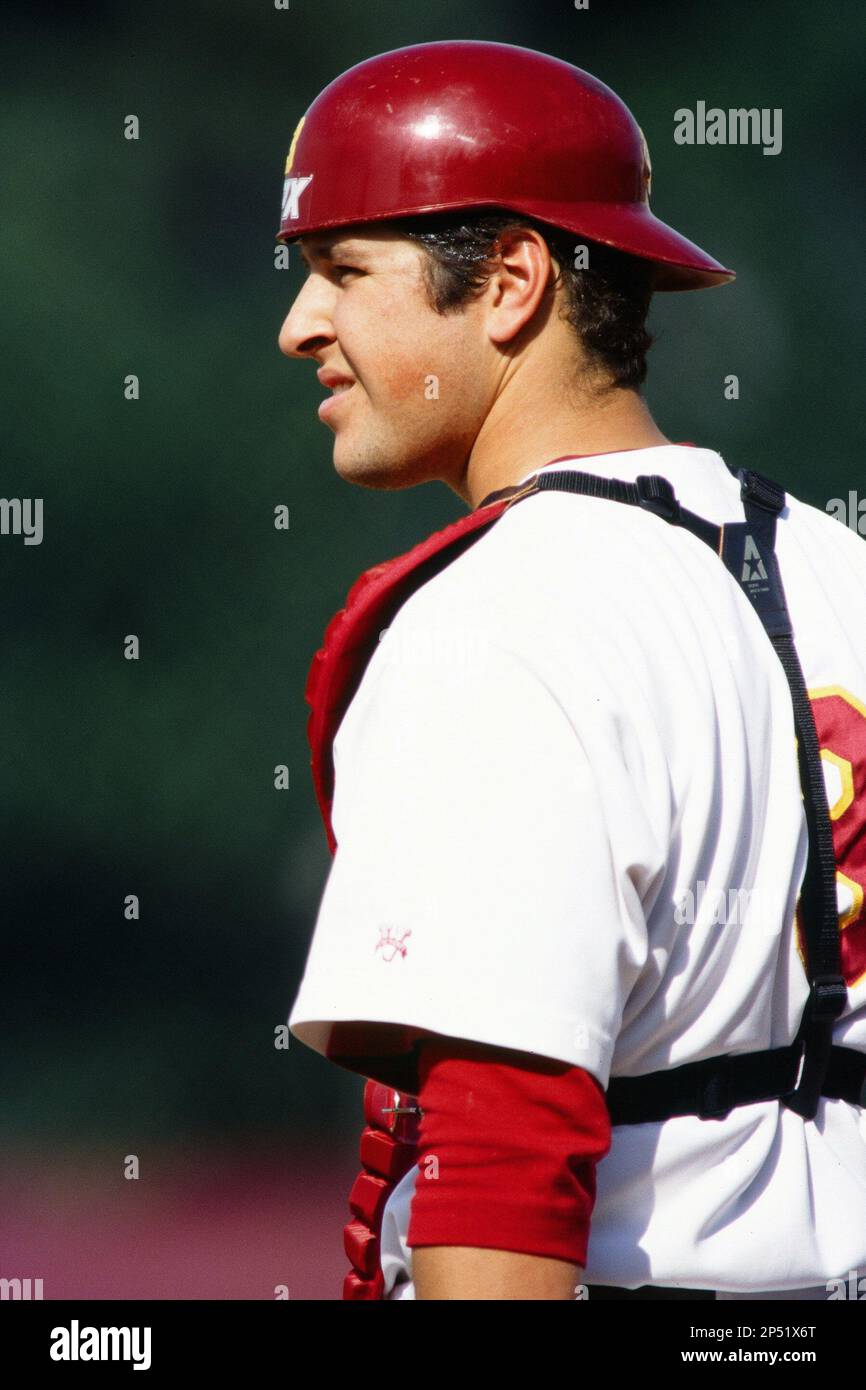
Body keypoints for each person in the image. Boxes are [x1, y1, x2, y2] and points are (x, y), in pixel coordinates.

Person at [276, 40, 866, 1300]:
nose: (298, 327)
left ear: (508, 283)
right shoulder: (841, 574)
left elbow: (499, 1152)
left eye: (342, 271)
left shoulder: (499, 619)